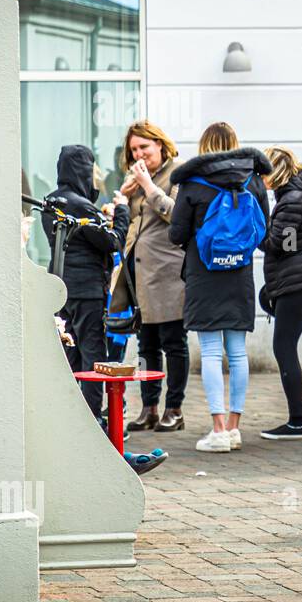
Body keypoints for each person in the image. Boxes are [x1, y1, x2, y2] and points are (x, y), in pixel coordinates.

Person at [168, 123, 270, 453]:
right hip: (239, 272)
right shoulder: (254, 179)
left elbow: (176, 234)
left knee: (211, 352)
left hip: (204, 272)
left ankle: (218, 429)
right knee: (237, 352)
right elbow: (263, 229)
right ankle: (236, 427)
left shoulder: (192, 182)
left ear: (206, 146)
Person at [41, 145, 130, 421]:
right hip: (88, 291)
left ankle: (70, 417)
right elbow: (112, 242)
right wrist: (123, 213)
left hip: (61, 290)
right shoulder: (80, 206)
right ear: (83, 170)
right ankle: (92, 422)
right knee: (93, 358)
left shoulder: (51, 202)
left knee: (70, 357)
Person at [115, 120, 188, 433]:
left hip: (169, 273)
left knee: (173, 343)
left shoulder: (178, 173)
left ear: (160, 144)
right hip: (141, 274)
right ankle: (150, 408)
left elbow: (177, 214)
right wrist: (122, 197)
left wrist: (147, 186)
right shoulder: (136, 179)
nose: (139, 154)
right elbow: (136, 222)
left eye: (144, 146)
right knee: (146, 346)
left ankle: (175, 408)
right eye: (133, 149)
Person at [260, 146, 302, 440]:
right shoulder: (299, 194)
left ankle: (297, 422)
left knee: (283, 347)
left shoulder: (291, 201)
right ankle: (296, 419)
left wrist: (257, 232)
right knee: (285, 346)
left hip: (298, 280)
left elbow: (282, 245)